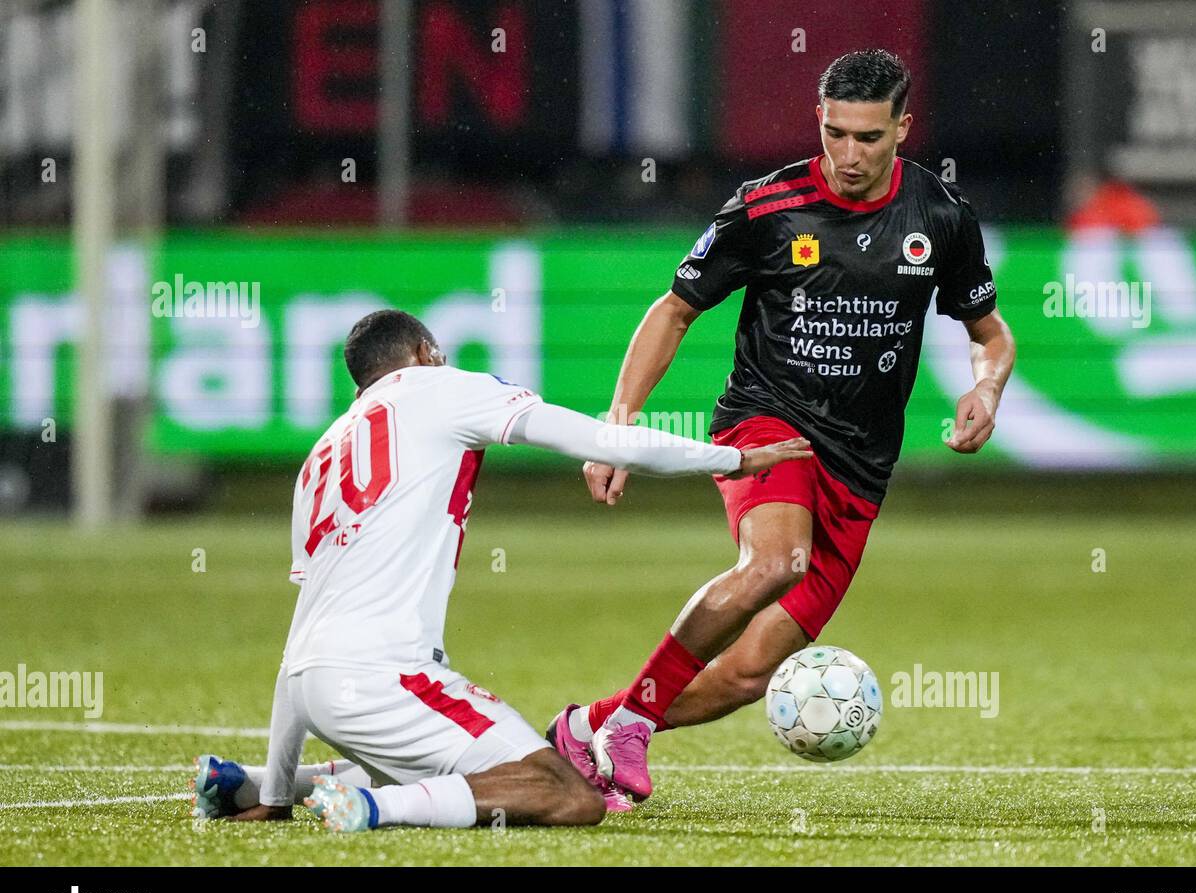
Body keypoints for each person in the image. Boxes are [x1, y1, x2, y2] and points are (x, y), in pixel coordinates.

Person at [550, 49, 1017, 805]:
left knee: (748, 675)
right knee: (775, 563)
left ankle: (588, 727)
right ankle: (631, 725)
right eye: (836, 133)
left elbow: (989, 332)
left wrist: (987, 389)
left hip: (862, 465)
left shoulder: (939, 216)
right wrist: (619, 424)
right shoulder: (768, 206)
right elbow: (675, 309)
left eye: (869, 137)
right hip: (769, 425)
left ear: (903, 127)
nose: (850, 155)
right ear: (820, 122)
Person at [191, 309, 811, 830]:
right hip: (385, 678)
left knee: (453, 762)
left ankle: (250, 785)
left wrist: (272, 797)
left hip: (314, 686)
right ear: (425, 351)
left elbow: (299, 638)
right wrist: (733, 456)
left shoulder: (322, 454)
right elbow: (603, 442)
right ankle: (372, 807)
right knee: (568, 796)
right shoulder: (444, 386)